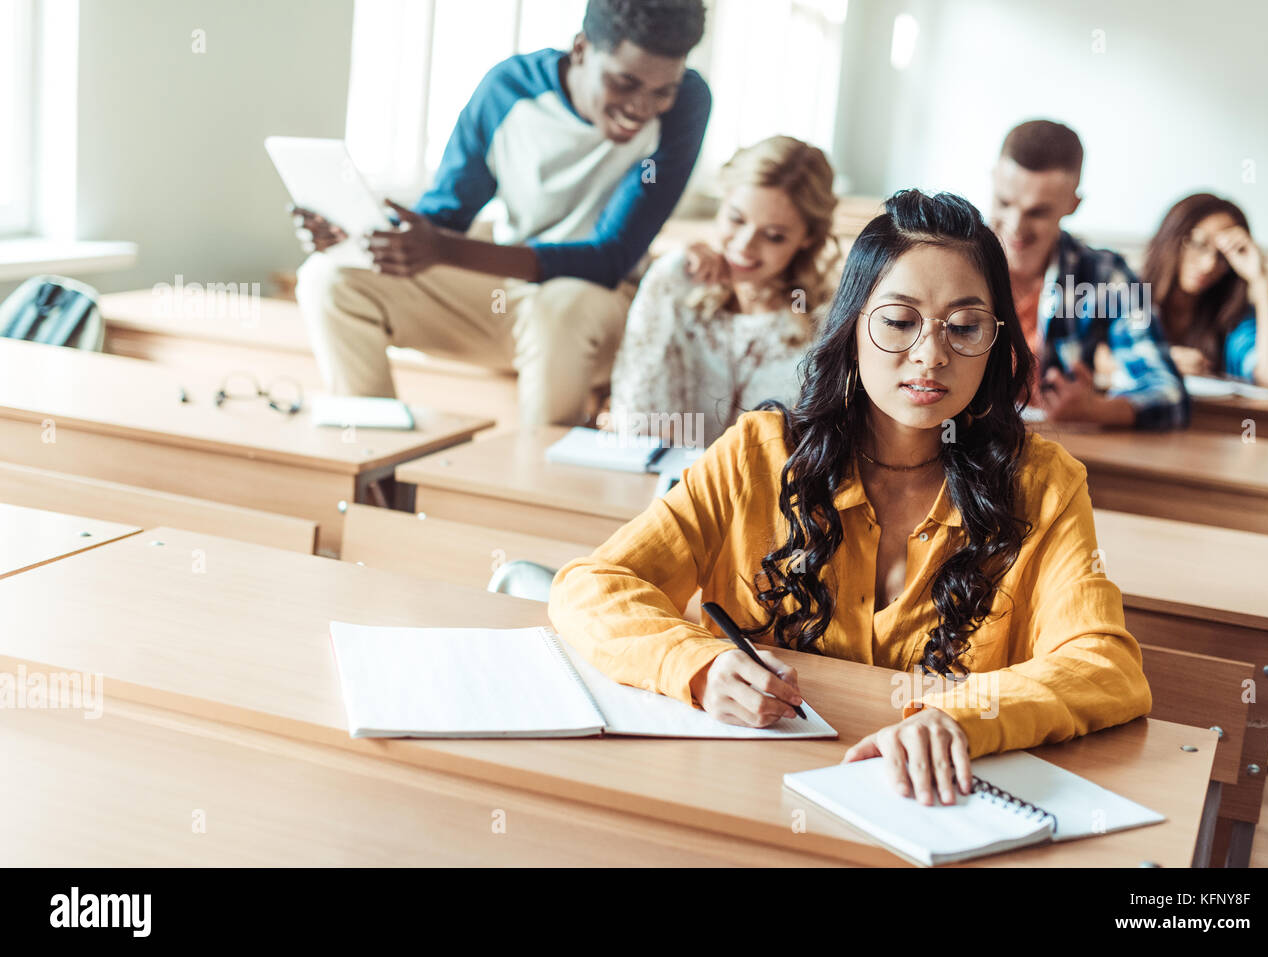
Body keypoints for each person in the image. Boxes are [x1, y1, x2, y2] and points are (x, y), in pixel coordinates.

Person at [549, 190, 1151, 805]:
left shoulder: (1041, 484)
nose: (931, 355)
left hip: (933, 805)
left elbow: (1103, 664)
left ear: (996, 339)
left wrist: (966, 718)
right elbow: (592, 586)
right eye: (898, 321)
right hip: (752, 794)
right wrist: (697, 666)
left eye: (965, 327)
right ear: (853, 324)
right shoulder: (758, 454)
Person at [293, 0, 712, 427]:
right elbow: (444, 215)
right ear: (582, 49)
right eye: (624, 83)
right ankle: (374, 467)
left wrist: (444, 250)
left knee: (562, 306)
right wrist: (365, 235)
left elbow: (610, 257)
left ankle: (536, 480)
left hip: (599, 309)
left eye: (662, 91)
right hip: (503, 298)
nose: (641, 107)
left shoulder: (687, 105)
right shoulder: (509, 89)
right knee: (328, 279)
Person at [606, 135, 838, 447]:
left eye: (773, 236)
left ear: (808, 237)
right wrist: (669, 276)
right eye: (736, 219)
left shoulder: (825, 324)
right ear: (723, 201)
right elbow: (635, 418)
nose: (744, 245)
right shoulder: (678, 289)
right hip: (666, 486)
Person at [989, 120, 1188, 429]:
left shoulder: (1105, 275)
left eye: (1037, 211)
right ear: (992, 181)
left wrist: (1096, 410)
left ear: (1073, 204)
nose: (1016, 225)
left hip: (1049, 454)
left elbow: (1169, 392)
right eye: (1004, 202)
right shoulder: (950, 260)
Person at [1142, 193, 1268, 388]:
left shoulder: (1233, 317)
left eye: (1222, 255)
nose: (1209, 265)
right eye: (1197, 244)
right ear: (1171, 238)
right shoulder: (1133, 295)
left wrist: (1260, 279)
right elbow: (1100, 356)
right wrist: (1161, 359)